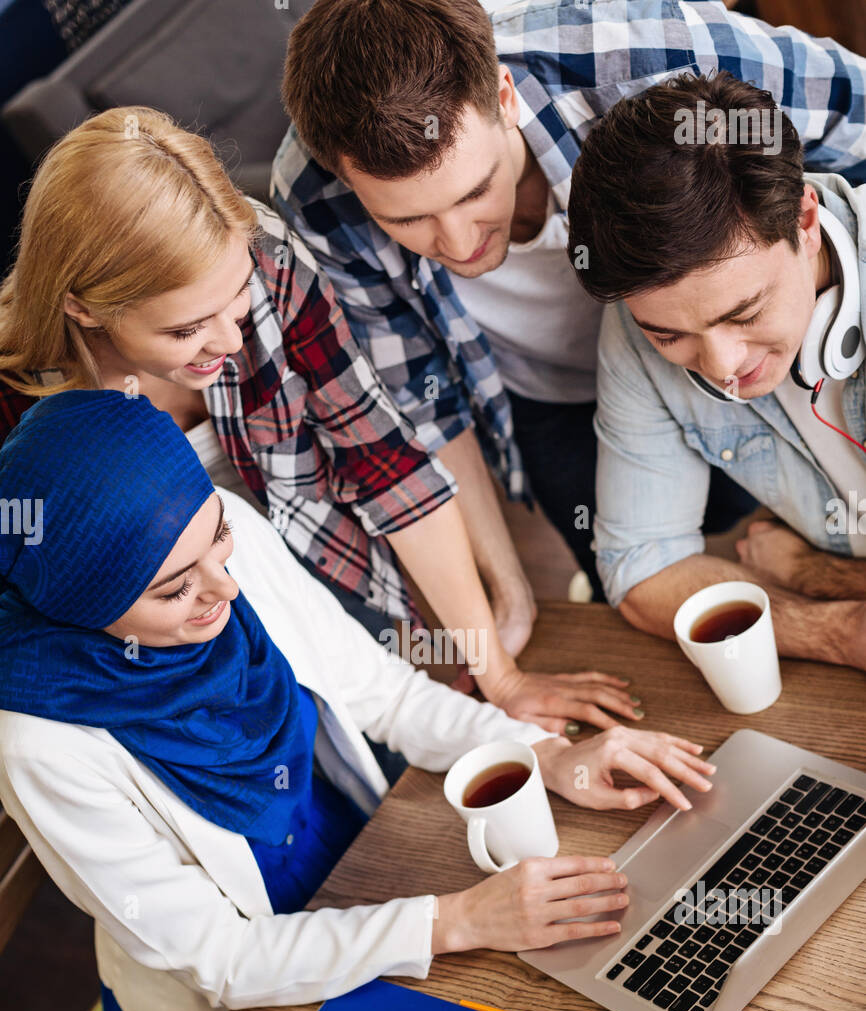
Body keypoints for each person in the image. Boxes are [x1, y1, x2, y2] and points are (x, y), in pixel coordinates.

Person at [0, 391, 716, 1011]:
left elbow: (386, 694)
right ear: (82, 604)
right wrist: (460, 920)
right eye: (175, 590)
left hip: (364, 865)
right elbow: (220, 958)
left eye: (217, 540)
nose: (227, 585)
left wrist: (544, 752)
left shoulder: (223, 535)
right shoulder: (39, 745)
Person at [0, 107, 637, 749]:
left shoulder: (267, 256)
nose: (229, 341)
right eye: (186, 328)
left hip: (332, 570)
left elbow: (384, 460)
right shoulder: (18, 422)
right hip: (158, 675)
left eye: (237, 298)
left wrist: (499, 677)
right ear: (81, 305)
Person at [271, 0, 866, 614]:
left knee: (774, 514)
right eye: (408, 219)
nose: (459, 243)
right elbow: (427, 405)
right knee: (615, 562)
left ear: (503, 98)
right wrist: (509, 592)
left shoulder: (652, 53)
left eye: (476, 191)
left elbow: (857, 107)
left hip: (772, 356)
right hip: (545, 391)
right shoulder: (315, 200)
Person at [566, 71, 866, 671]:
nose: (723, 367)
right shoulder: (636, 322)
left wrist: (803, 570)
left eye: (745, 312)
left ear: (803, 222)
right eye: (671, 335)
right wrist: (840, 631)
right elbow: (641, 566)